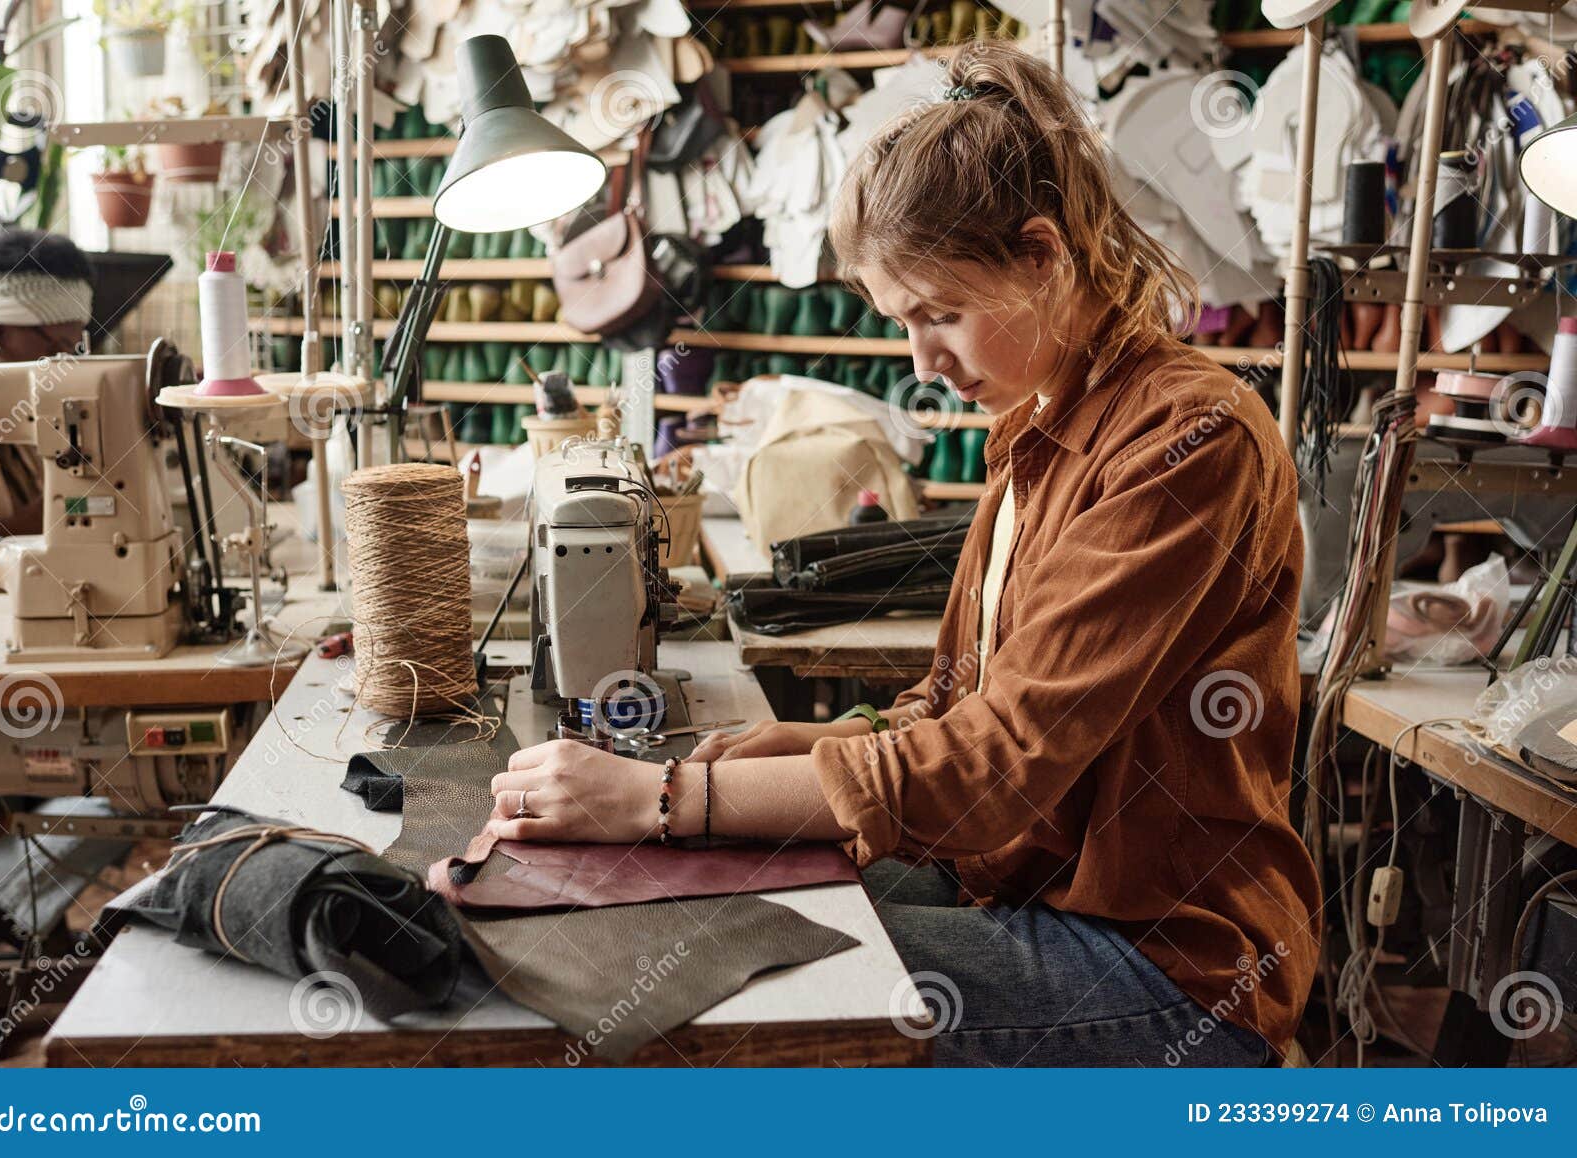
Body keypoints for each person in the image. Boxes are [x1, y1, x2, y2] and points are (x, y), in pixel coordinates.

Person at [488, 42, 1321, 1067]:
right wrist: (811, 746)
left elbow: (994, 767)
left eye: (940, 315)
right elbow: (956, 706)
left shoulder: (1188, 441)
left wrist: (663, 799)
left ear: (1043, 257)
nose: (922, 361)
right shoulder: (1042, 425)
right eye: (902, 323)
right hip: (1017, 885)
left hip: (1164, 966)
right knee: (711, 888)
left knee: (710, 963)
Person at [0, 229, 95, 537]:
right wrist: (58, 508)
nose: (63, 364)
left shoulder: (26, 408)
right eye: (55, 347)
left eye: (72, 350)